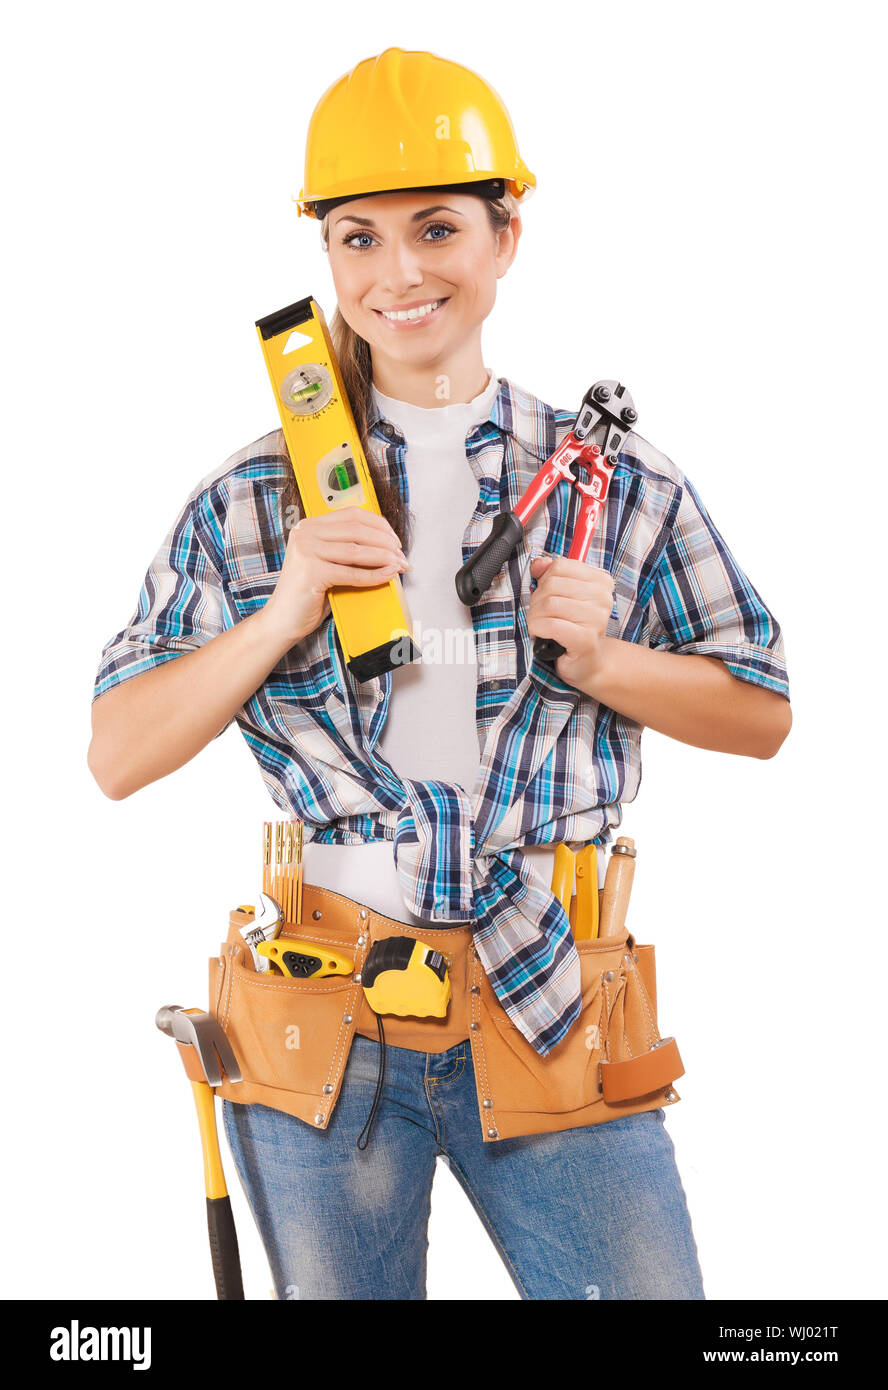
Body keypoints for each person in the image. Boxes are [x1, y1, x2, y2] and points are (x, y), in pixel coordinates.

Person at [88, 47, 792, 1301]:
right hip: (325, 1020)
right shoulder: (256, 496)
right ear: (326, 260)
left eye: (436, 228)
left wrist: (610, 660)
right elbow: (118, 755)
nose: (399, 274)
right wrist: (280, 612)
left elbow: (763, 715)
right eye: (357, 238)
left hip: (554, 996)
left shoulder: (612, 481)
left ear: (506, 233)